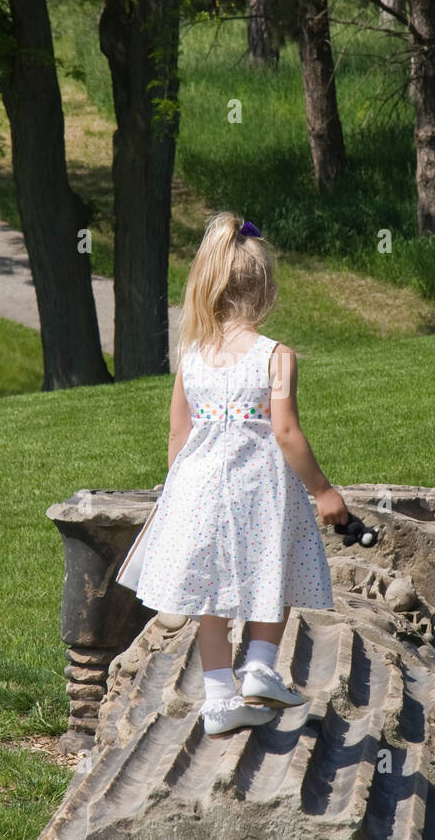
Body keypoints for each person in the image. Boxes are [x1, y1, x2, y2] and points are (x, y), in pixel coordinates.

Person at [133, 212, 348, 737]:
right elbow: (287, 432)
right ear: (267, 289)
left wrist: (175, 494)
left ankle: (220, 698)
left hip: (200, 490)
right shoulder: (276, 357)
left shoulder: (192, 357)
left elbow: (177, 433)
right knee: (272, 566)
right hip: (261, 488)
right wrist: (323, 491)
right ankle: (259, 664)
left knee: (209, 595)